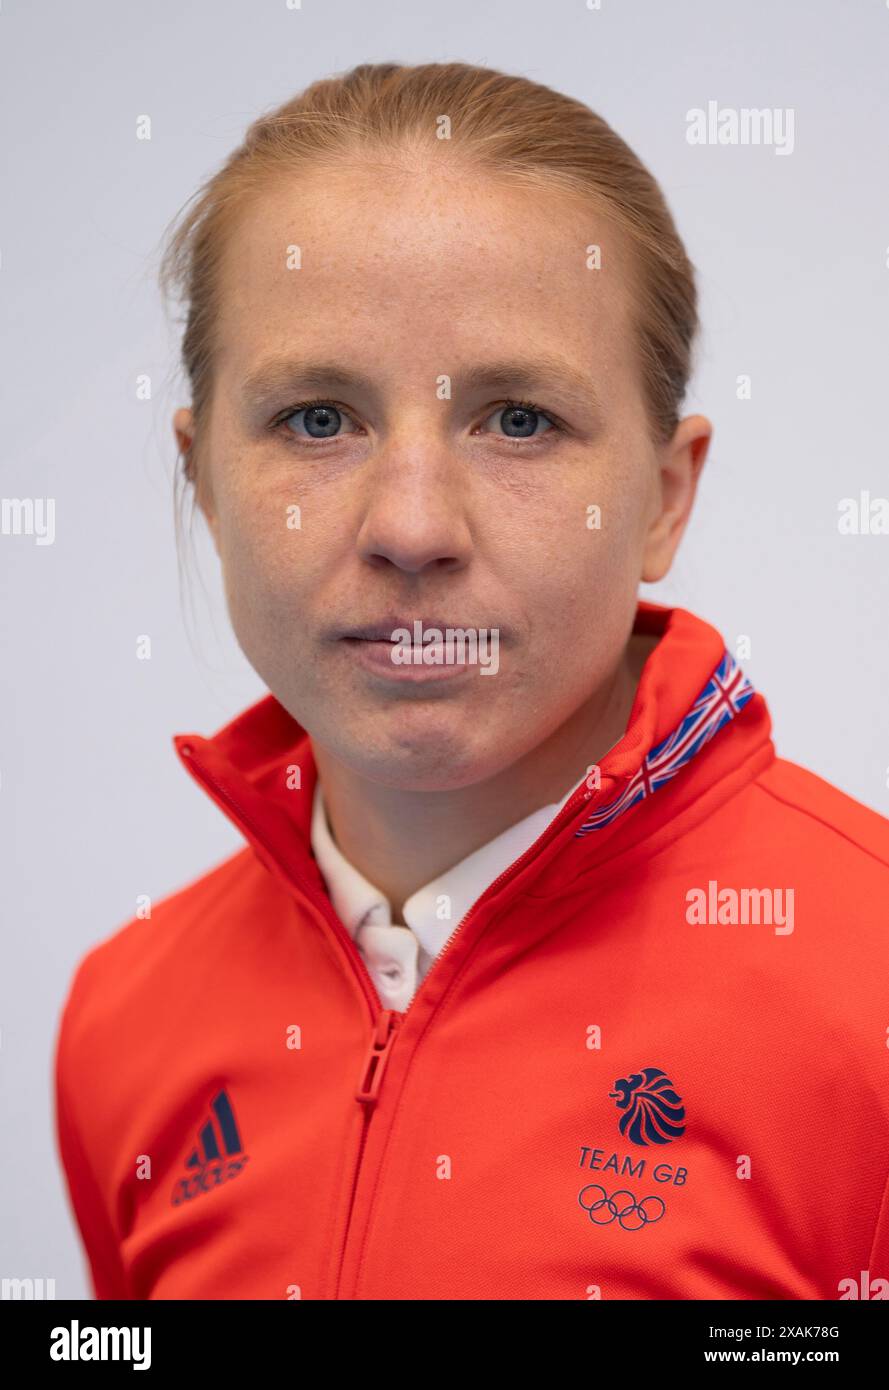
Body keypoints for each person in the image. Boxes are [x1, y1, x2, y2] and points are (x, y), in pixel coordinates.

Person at [54, 60, 889, 1302]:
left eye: (517, 420)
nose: (411, 526)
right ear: (205, 484)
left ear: (664, 497)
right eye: (318, 419)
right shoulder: (125, 1017)